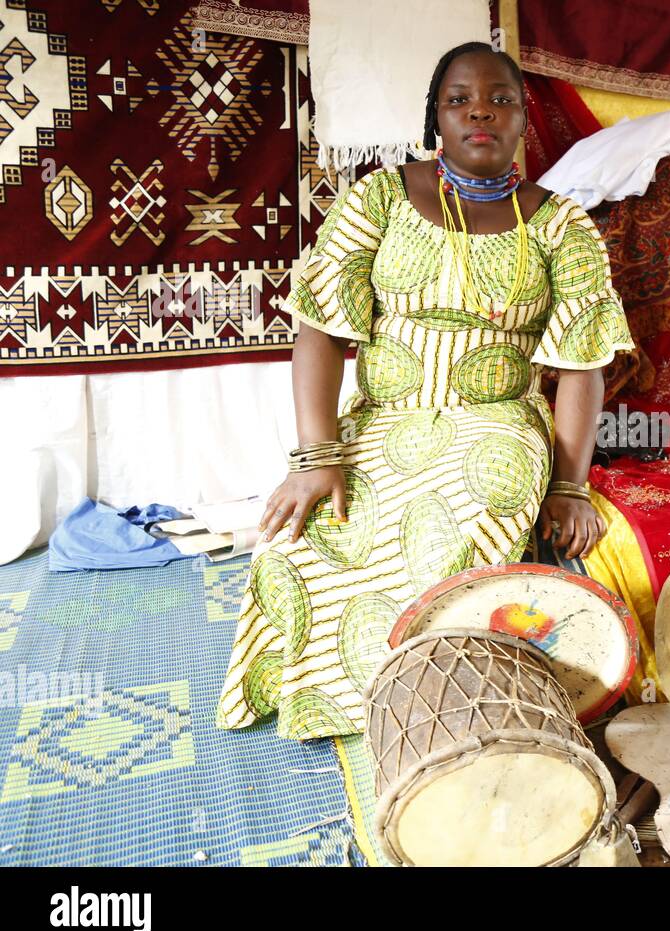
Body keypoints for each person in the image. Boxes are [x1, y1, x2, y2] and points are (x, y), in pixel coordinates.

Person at [217, 42, 634, 739]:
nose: (480, 110)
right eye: (459, 99)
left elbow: (581, 366)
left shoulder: (563, 225)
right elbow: (320, 331)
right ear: (435, 117)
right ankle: (336, 698)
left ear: (524, 121)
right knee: (297, 540)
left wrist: (568, 485)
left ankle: (429, 702)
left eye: (501, 99)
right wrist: (319, 456)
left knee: (460, 520)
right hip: (386, 420)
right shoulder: (378, 198)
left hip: (497, 422)